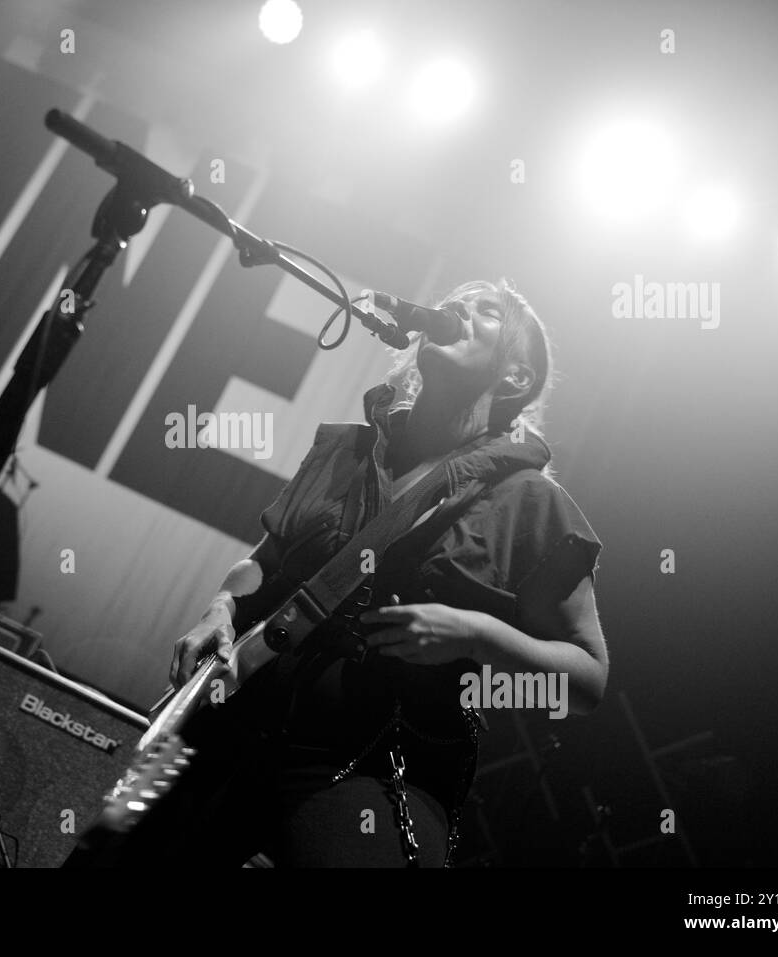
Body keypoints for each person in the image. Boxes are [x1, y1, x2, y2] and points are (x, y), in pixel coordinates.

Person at [118, 279, 607, 868]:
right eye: (459, 298)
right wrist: (220, 606)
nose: (460, 309)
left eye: (487, 312)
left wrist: (475, 633)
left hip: (370, 766)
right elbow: (263, 563)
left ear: (516, 379)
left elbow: (585, 681)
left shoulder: (532, 504)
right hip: (228, 717)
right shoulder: (342, 451)